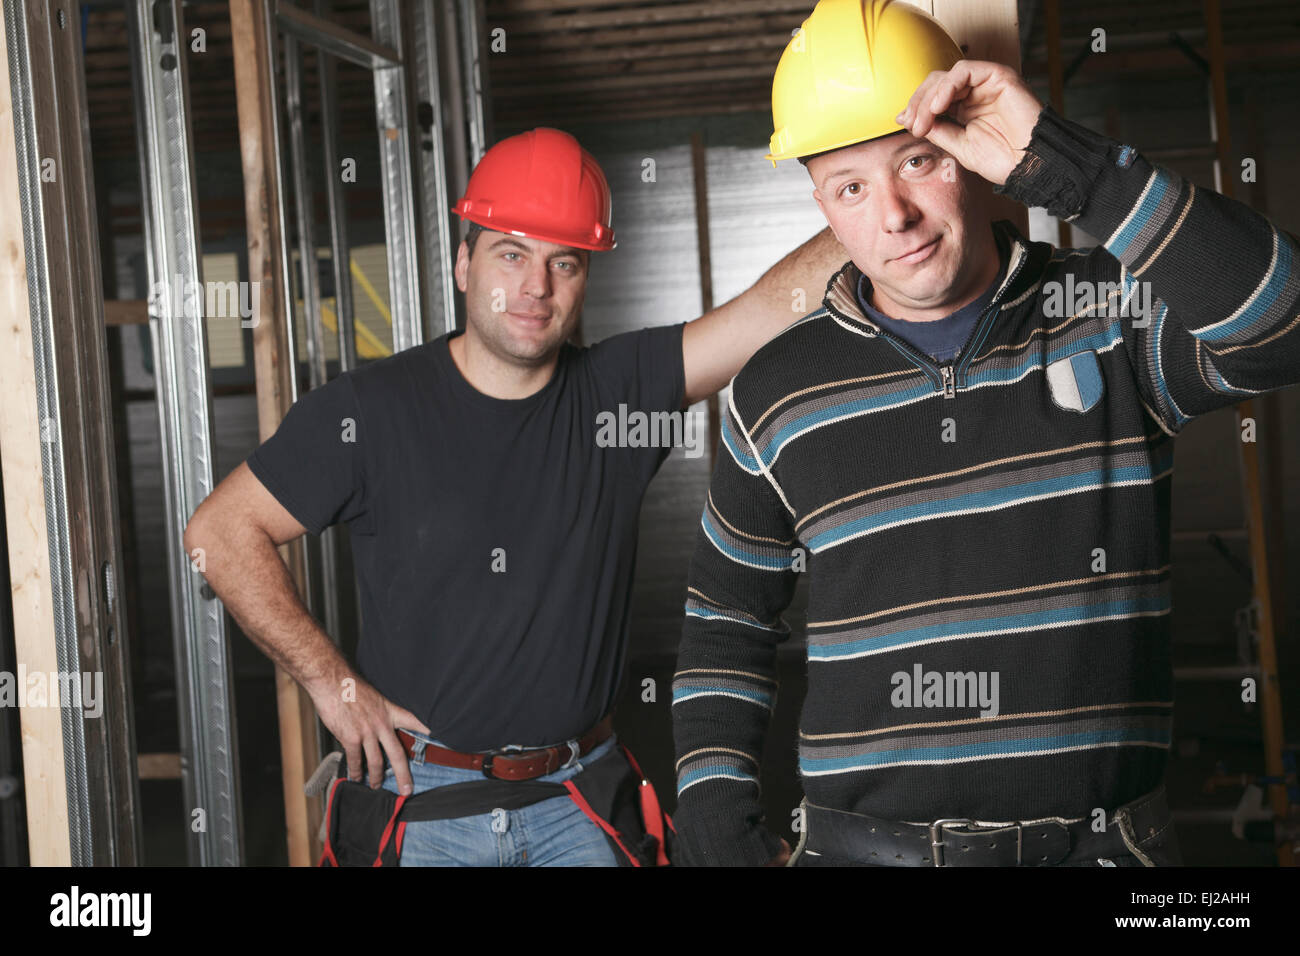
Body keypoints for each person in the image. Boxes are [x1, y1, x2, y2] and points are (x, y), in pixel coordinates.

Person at [670, 0, 1300, 866]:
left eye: (917, 162)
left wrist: (1069, 167)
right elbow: (724, 623)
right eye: (850, 187)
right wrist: (717, 838)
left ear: (970, 153)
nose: (894, 215)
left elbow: (1281, 324)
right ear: (820, 201)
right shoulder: (773, 393)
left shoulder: (1106, 316)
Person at [184, 127, 808, 866]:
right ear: (463, 264)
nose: (536, 286)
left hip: (576, 805)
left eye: (563, 262)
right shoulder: (368, 413)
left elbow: (772, 307)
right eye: (511, 254)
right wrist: (333, 683)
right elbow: (220, 531)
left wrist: (894, 182)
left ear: (584, 278)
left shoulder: (618, 399)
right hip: (424, 808)